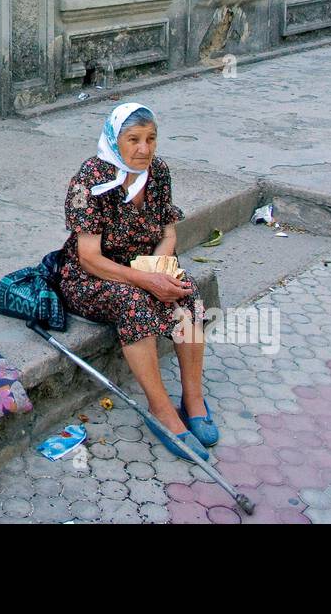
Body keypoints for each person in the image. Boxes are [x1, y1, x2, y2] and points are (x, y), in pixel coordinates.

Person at [56, 101, 219, 460]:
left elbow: (168, 233)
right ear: (116, 140)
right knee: (134, 305)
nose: (144, 149)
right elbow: (89, 257)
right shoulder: (89, 181)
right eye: (133, 139)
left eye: (151, 139)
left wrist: (161, 269)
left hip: (143, 266)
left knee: (187, 295)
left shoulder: (157, 172)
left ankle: (193, 398)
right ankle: (161, 411)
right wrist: (146, 281)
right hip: (91, 276)